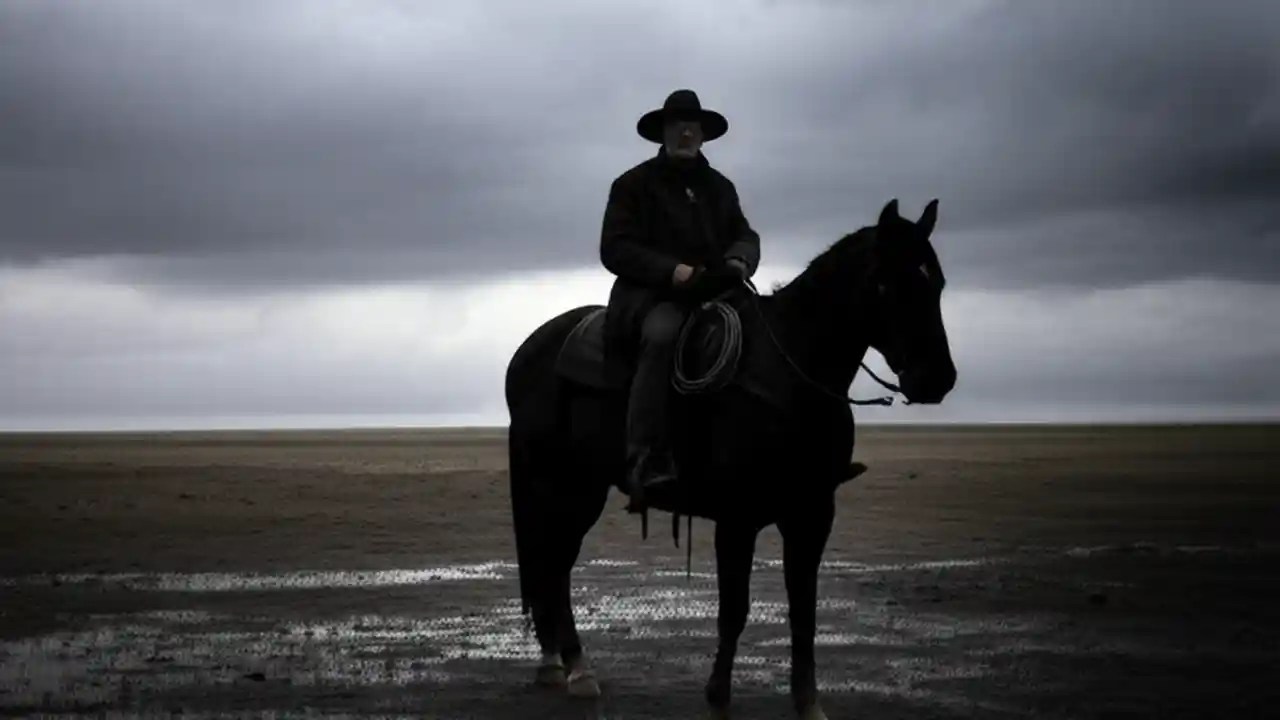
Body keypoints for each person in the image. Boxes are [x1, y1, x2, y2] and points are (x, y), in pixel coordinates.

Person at [598, 89, 761, 512]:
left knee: (766, 333)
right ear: (664, 132)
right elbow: (615, 248)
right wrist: (673, 271)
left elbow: (744, 234)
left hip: (717, 291)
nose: (686, 132)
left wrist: (739, 261)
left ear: (703, 134)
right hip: (649, 296)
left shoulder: (720, 187)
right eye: (677, 125)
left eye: (693, 126)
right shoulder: (633, 185)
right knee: (663, 336)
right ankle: (646, 456)